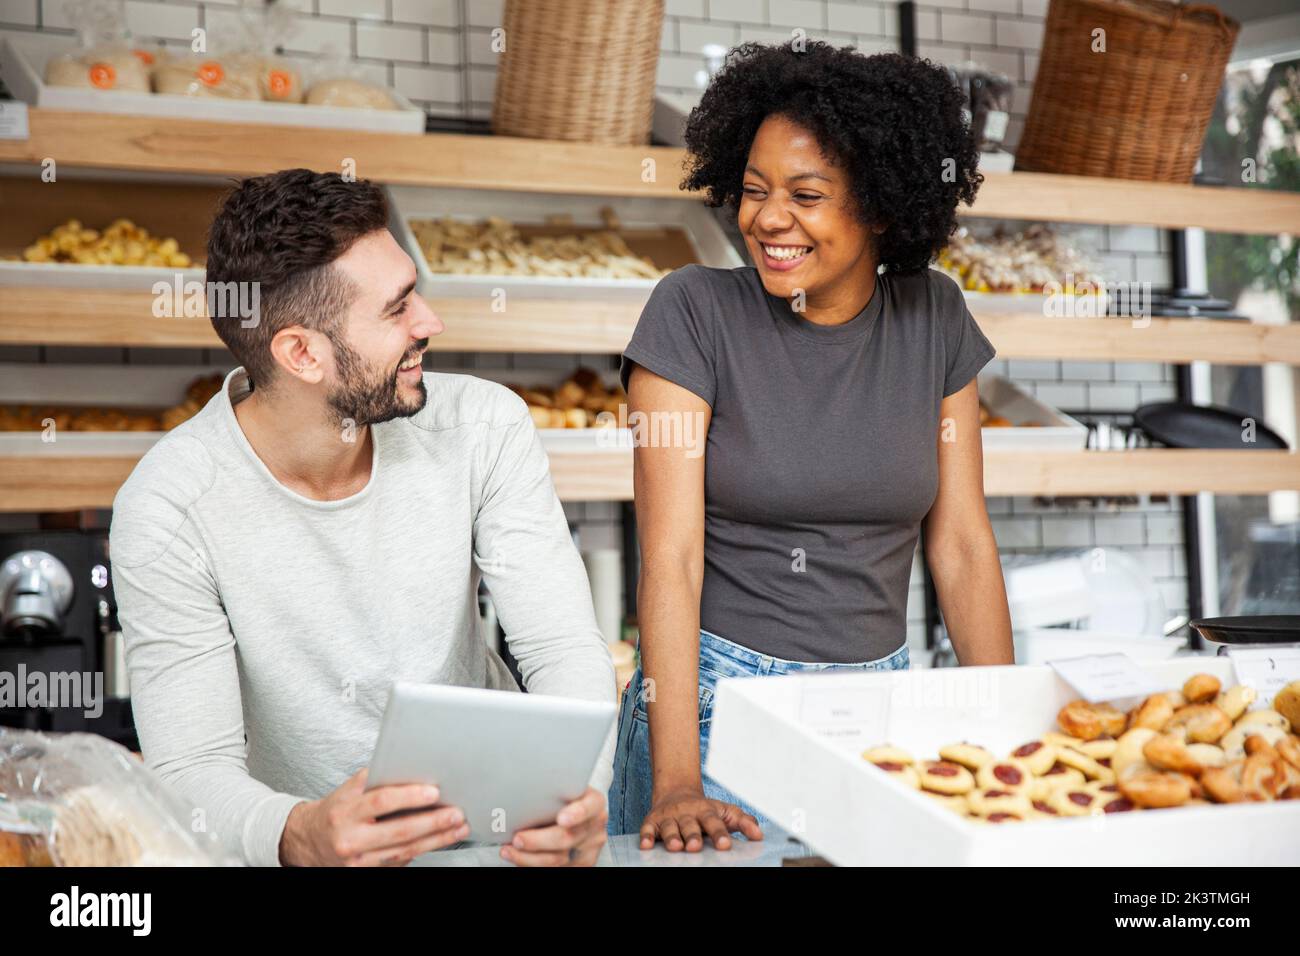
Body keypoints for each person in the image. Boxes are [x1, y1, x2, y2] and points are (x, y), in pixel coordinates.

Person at [111, 169, 615, 867]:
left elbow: (561, 649)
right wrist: (301, 834)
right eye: (396, 309)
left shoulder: (483, 424)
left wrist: (580, 796)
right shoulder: (168, 506)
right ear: (301, 354)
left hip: (497, 840)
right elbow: (191, 772)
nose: (429, 324)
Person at [608, 43, 1015, 851]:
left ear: (882, 209)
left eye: (805, 195)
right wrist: (678, 779)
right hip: (721, 705)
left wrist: (1004, 733)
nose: (766, 218)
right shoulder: (691, 313)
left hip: (883, 711)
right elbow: (671, 557)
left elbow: (964, 545)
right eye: (754, 190)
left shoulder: (933, 316)